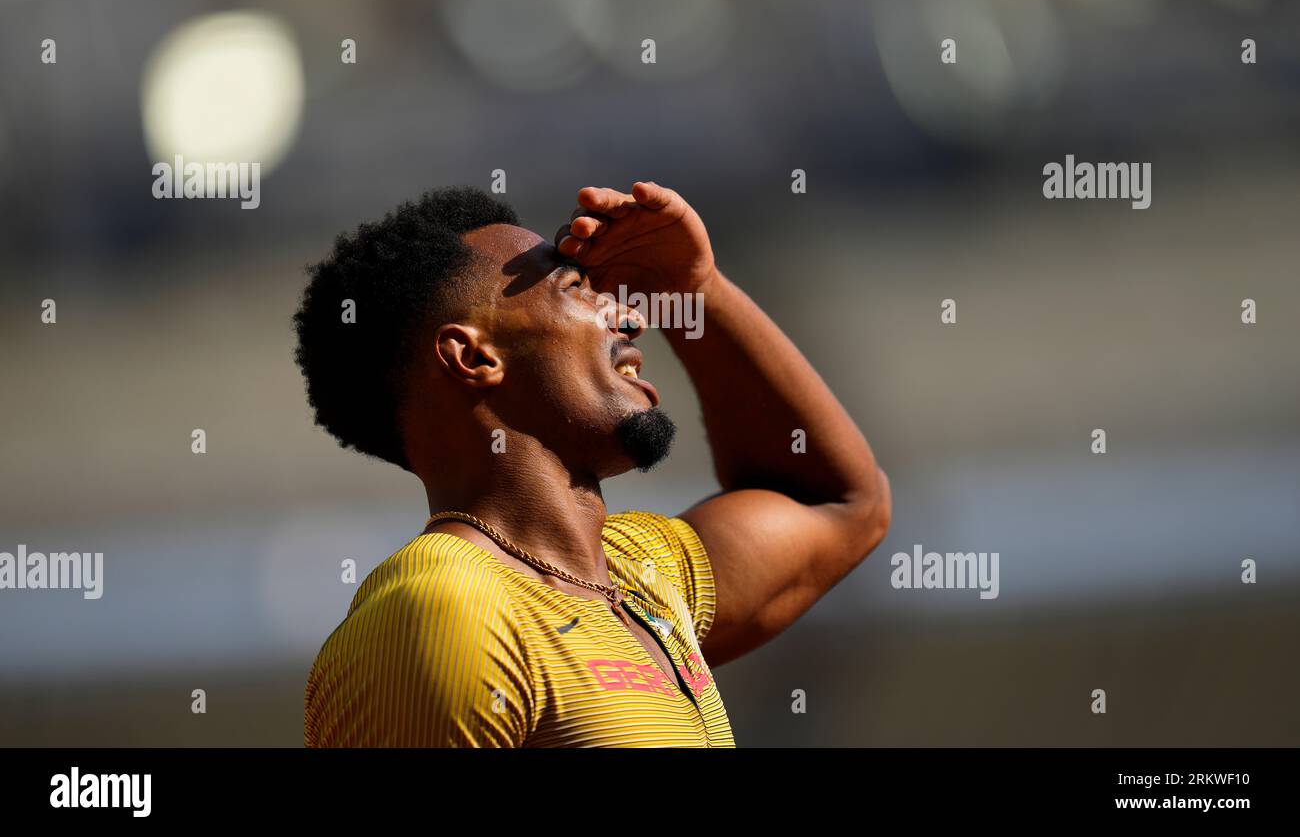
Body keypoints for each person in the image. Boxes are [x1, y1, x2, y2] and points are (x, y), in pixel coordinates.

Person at [295, 180, 891, 746]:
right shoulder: (447, 611)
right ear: (474, 356)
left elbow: (839, 506)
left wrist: (688, 288)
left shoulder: (641, 579)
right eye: (576, 288)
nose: (631, 316)